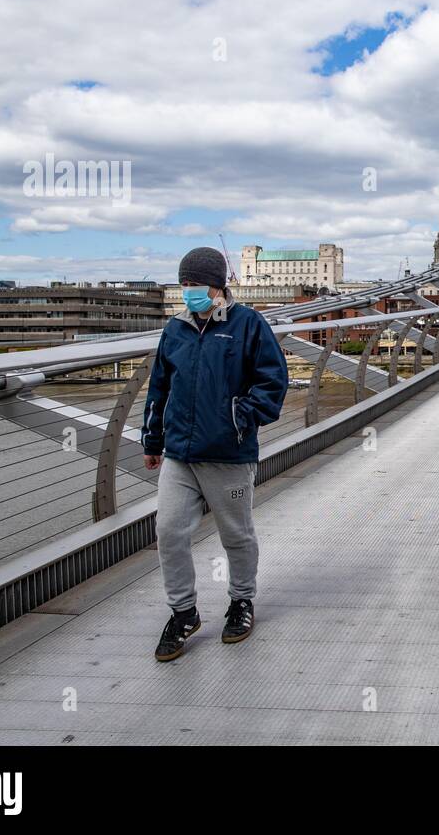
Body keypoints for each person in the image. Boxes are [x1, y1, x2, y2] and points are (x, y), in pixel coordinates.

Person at [142, 246, 289, 662]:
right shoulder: (175, 330)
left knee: (236, 536)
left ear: (217, 285)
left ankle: (241, 602)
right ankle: (183, 612)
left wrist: (240, 417)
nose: (188, 291)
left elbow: (273, 382)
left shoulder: (247, 325)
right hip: (179, 455)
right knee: (169, 532)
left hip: (228, 454)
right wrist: (153, 441)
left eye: (195, 284)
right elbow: (159, 389)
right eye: (183, 283)